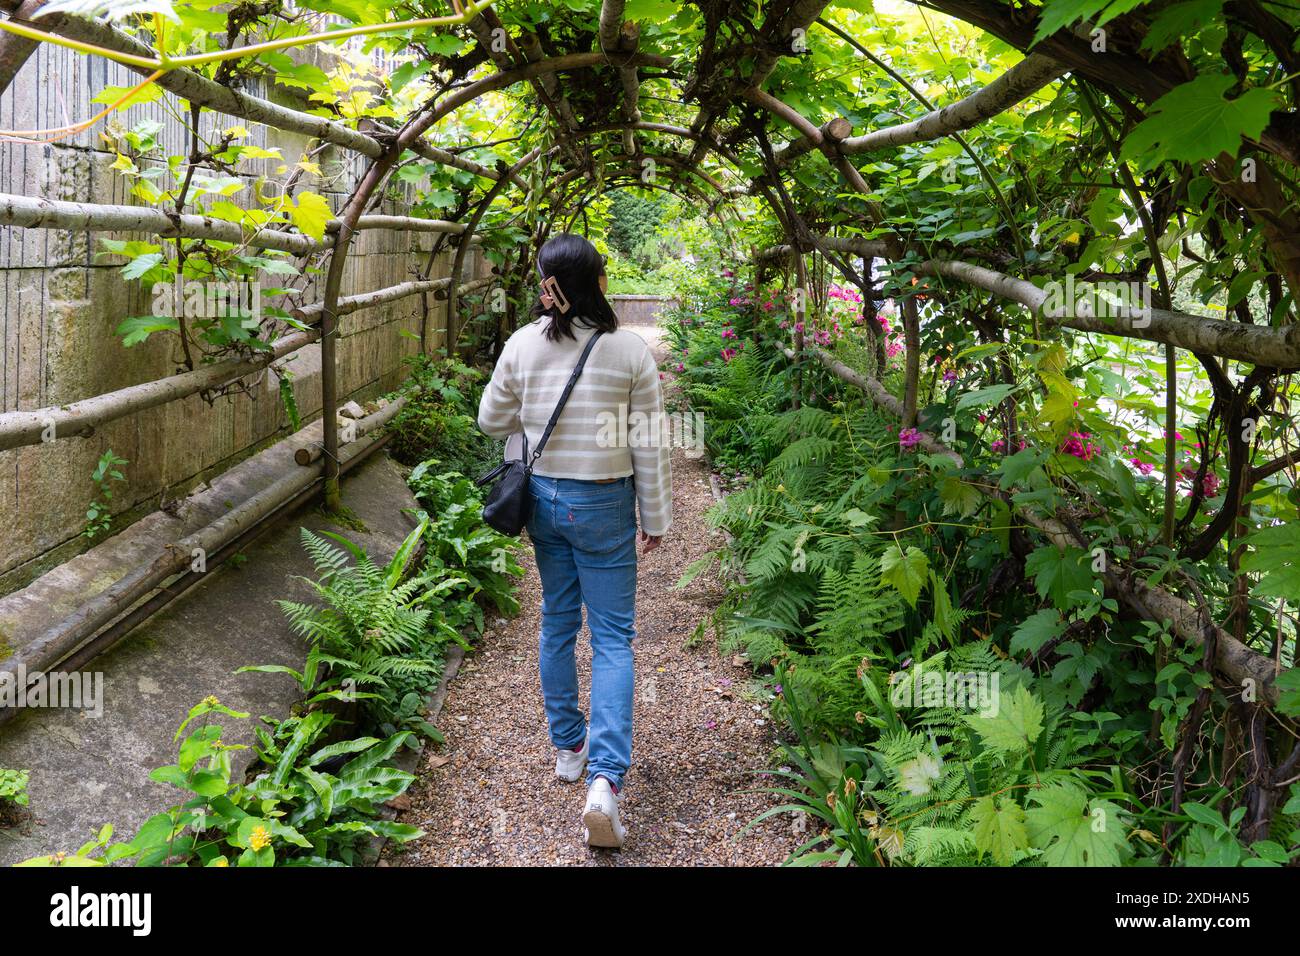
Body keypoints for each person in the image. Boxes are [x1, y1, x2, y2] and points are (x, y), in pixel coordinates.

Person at [477, 233, 672, 849]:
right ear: (598, 282)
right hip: (605, 501)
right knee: (613, 638)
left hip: (545, 502)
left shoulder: (522, 343)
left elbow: (490, 420)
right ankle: (605, 781)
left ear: (549, 284)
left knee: (558, 619)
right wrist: (655, 517)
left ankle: (568, 746)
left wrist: (531, 413)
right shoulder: (628, 351)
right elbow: (649, 443)